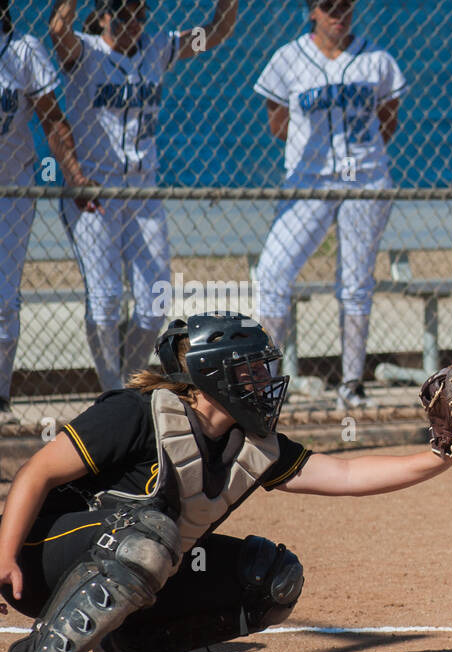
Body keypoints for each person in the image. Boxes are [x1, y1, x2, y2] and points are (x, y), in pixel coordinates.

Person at [0, 312, 452, 652]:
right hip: (40, 559)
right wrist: (4, 557)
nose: (266, 381)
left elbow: (345, 475)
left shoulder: (252, 444)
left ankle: (132, 644)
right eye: (253, 371)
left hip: (135, 558)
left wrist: (440, 456)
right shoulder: (137, 414)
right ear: (214, 374)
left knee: (270, 579)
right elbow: (35, 474)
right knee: (149, 536)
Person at [49, 0, 240, 392]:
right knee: (103, 301)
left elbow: (214, 34)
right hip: (94, 191)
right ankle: (111, 392)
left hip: (143, 192)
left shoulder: (159, 47)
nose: (132, 22)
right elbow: (57, 32)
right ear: (102, 16)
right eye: (121, 14)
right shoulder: (84, 50)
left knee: (154, 303)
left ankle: (129, 383)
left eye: (139, 15)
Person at [253, 0, 406, 412]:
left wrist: (355, 159)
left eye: (344, 5)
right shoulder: (288, 58)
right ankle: (265, 389)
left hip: (366, 179)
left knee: (355, 284)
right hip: (308, 183)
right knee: (272, 273)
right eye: (328, 6)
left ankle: (352, 385)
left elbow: (388, 118)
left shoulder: (376, 59)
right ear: (312, 11)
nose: (338, 12)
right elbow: (277, 123)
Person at [1, 0, 98, 424]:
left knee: (2, 303)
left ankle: (0, 398)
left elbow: (53, 119)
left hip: (11, 190)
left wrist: (74, 175)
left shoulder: (23, 50)